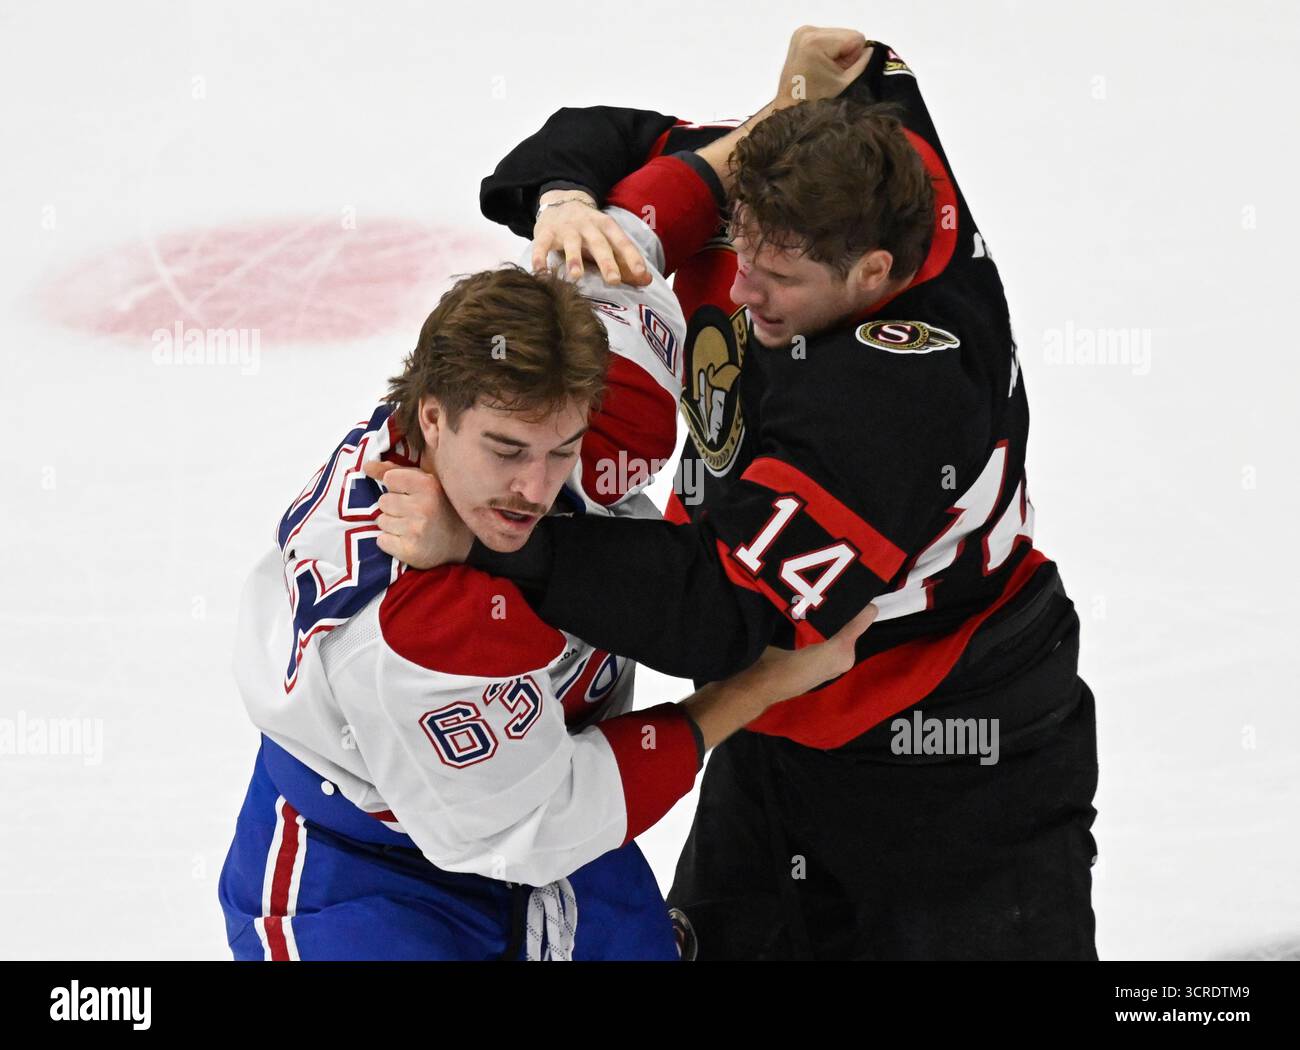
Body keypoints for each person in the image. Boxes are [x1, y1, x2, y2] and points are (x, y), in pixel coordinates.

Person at [373, 30, 1100, 960]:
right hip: (786, 716)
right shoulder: (823, 173)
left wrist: (499, 542)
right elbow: (601, 135)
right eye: (738, 247)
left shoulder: (902, 394)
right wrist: (570, 203)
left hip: (957, 743)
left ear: (874, 276)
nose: (740, 286)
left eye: (780, 278)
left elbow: (718, 610)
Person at [216, 34, 872, 961]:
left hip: (538, 798)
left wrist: (777, 118)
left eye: (561, 447)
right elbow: (552, 815)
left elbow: (644, 219)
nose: (536, 485)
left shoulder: (586, 382)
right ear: (431, 415)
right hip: (366, 865)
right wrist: (755, 689)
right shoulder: (417, 628)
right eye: (507, 450)